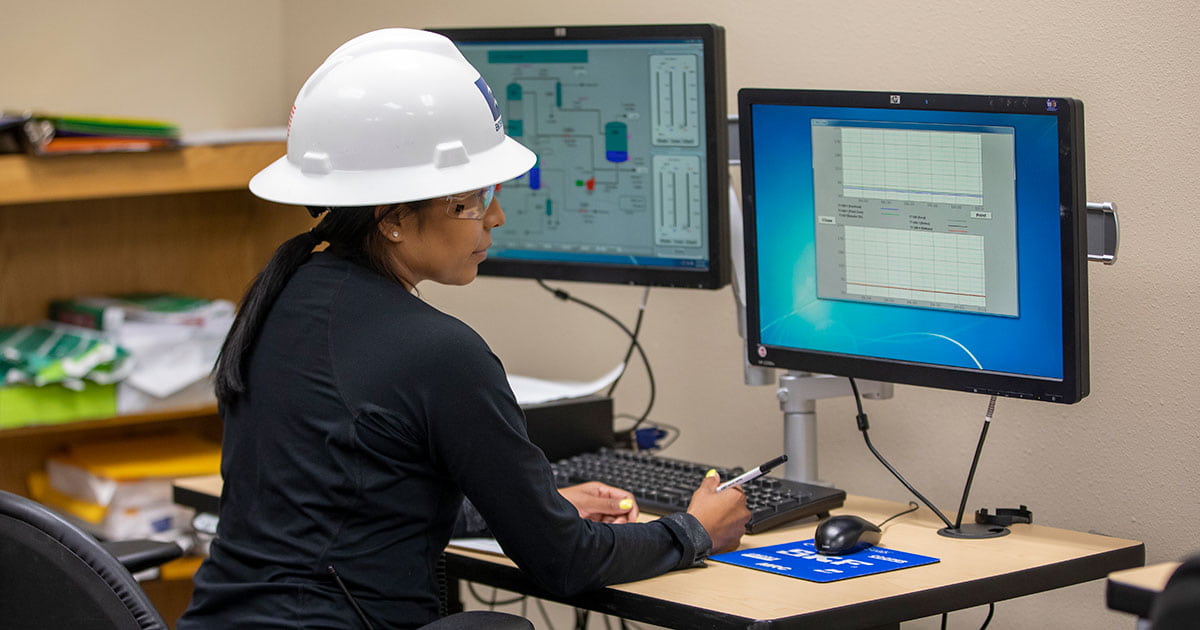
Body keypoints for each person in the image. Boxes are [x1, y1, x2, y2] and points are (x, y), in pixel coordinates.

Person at [178, 28, 750, 630]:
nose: (495, 217)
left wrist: (532, 509)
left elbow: (350, 506)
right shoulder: (438, 352)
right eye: (470, 201)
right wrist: (695, 530)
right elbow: (565, 563)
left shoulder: (282, 297)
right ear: (393, 219)